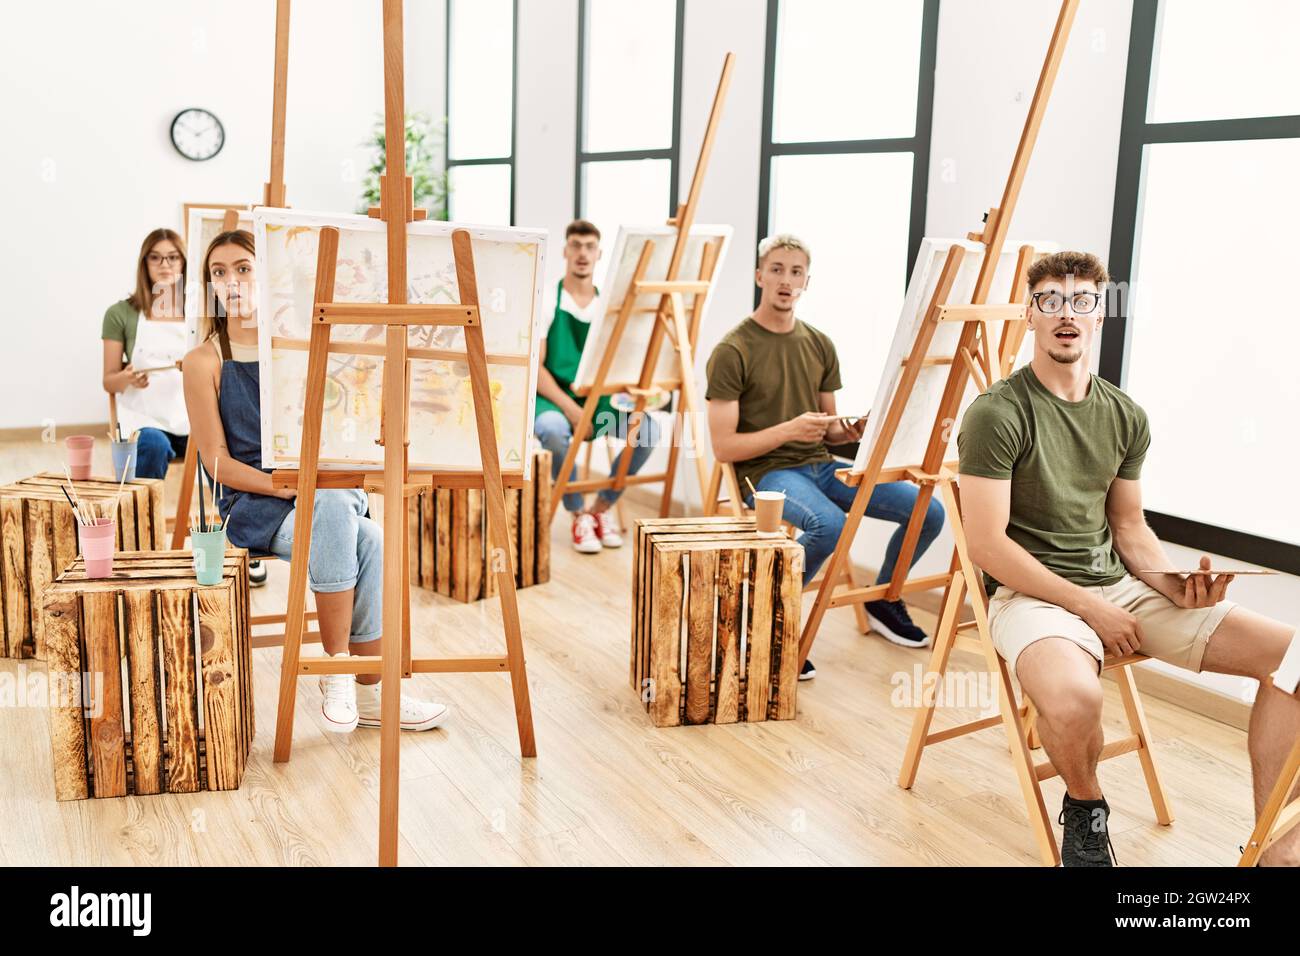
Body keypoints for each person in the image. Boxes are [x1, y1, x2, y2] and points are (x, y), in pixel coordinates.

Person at [959, 250, 1300, 866]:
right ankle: (1086, 810)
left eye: (1083, 301)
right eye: (1052, 300)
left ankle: (1272, 847)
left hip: (1116, 585)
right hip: (1030, 595)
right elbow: (987, 545)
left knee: (1295, 661)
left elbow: (1128, 526)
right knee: (1074, 701)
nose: (1068, 313)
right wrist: (1089, 606)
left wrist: (1171, 583)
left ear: (1099, 317)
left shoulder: (1124, 415)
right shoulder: (997, 413)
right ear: (1030, 314)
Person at [181, 229, 448, 734]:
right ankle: (350, 677)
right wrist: (282, 486)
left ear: (267, 275)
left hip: (324, 486)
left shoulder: (304, 345)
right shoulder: (203, 361)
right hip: (256, 502)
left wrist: (320, 477)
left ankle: (349, 681)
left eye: (243, 268)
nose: (231, 281)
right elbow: (215, 462)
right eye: (219, 272)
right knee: (365, 536)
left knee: (348, 518)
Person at [706, 234, 945, 681]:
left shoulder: (819, 343)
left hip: (819, 464)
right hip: (766, 472)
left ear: (806, 282)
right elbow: (724, 448)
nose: (785, 279)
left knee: (927, 511)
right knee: (828, 525)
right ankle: (769, 617)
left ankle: (882, 599)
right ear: (760, 276)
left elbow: (829, 430)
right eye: (776, 269)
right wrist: (789, 430)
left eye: (796, 272)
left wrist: (850, 431)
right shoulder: (732, 350)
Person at [534, 219, 661, 553]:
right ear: (565, 251)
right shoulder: (547, 300)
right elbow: (536, 369)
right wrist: (570, 407)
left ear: (599, 253)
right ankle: (578, 513)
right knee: (550, 429)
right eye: (576, 245)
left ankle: (601, 508)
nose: (582, 253)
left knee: (647, 430)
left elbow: (624, 361)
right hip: (555, 399)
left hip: (602, 403)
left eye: (589, 247)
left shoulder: (611, 304)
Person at [101, 228, 190, 478]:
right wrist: (126, 378)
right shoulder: (120, 314)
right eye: (155, 257)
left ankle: (227, 516)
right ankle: (143, 516)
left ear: (184, 262)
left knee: (221, 449)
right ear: (144, 263)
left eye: (173, 257)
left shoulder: (199, 312)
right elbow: (109, 381)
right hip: (144, 420)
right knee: (153, 446)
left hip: (191, 417)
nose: (165, 264)